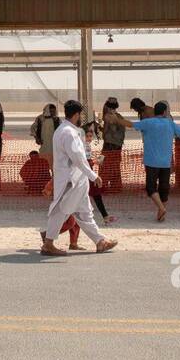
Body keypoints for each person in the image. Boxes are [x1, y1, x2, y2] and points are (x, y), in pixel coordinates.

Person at [41, 100, 116, 255]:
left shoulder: (63, 130)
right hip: (72, 181)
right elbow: (77, 158)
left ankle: (100, 241)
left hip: (76, 181)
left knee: (85, 213)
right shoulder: (69, 133)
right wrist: (93, 175)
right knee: (61, 210)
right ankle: (48, 243)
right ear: (76, 115)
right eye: (80, 114)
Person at [130, 100, 180, 222]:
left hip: (152, 161)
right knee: (164, 188)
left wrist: (116, 119)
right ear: (165, 111)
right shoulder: (170, 123)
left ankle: (161, 208)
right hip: (165, 161)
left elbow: (130, 124)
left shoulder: (148, 121)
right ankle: (162, 212)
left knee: (151, 188)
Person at [100, 98, 131, 193]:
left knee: (104, 164)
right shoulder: (120, 116)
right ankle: (115, 186)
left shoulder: (108, 116)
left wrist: (100, 129)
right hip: (118, 145)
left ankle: (103, 185)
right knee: (115, 165)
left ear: (108, 107)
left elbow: (106, 131)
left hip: (109, 144)